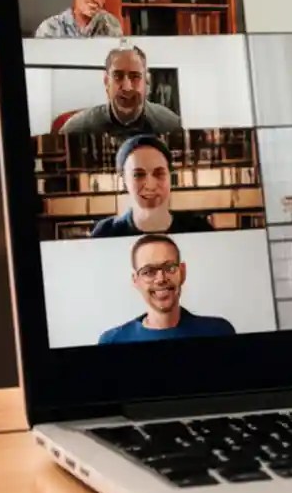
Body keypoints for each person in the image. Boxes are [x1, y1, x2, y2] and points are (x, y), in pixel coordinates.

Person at [98, 234, 236, 344]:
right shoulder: (112, 341)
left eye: (169, 268)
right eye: (148, 271)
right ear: (136, 280)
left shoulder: (219, 331)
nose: (161, 279)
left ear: (182, 272)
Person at [91, 135, 212, 238]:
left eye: (159, 173)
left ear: (171, 177)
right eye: (138, 175)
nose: (150, 185)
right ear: (123, 181)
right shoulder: (106, 232)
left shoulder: (198, 229)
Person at [59, 43, 182, 136]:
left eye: (135, 77)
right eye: (118, 76)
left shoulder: (171, 125)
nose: (127, 87)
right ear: (107, 82)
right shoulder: (76, 128)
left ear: (147, 83)